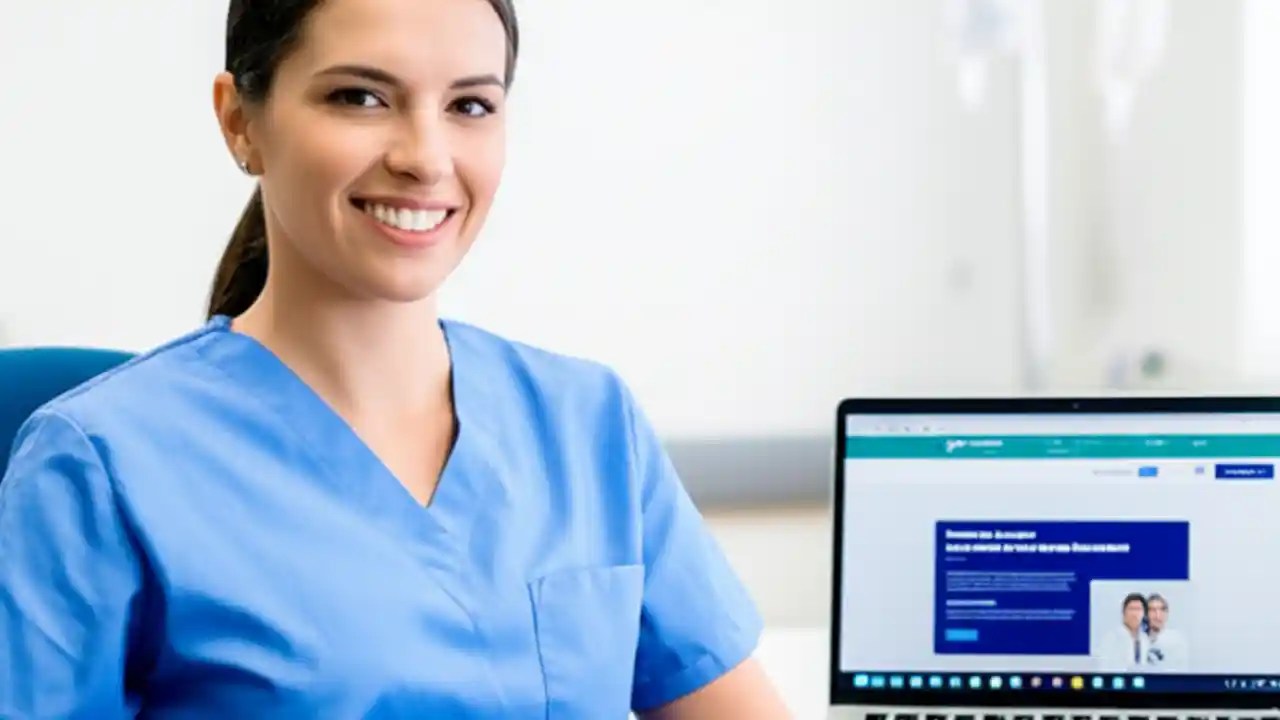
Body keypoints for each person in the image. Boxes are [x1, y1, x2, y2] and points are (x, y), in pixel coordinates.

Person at [0, 0, 792, 717]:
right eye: (360, 97)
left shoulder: (587, 424)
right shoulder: (101, 464)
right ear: (240, 121)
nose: (426, 157)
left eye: (470, 105)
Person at [1096, 592, 1151, 671]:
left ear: (1144, 613)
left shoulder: (1144, 639)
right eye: (1131, 609)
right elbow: (1102, 667)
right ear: (1124, 612)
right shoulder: (1112, 638)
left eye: (1138, 609)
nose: (1134, 614)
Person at [1145, 593, 1190, 671]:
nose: (1157, 615)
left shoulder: (1176, 640)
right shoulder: (1138, 639)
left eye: (1162, 610)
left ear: (1166, 614)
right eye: (1152, 610)